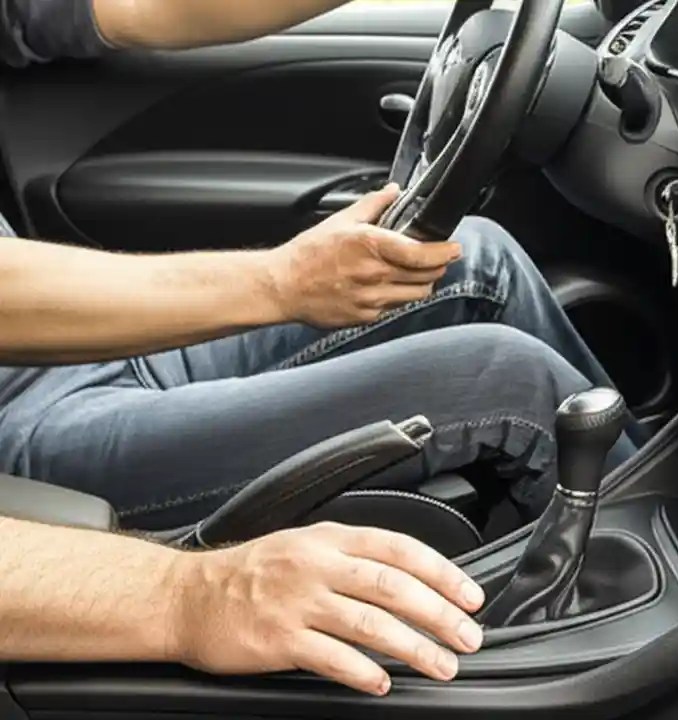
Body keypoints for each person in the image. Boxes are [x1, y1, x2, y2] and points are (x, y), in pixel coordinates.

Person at [0, 0, 637, 697]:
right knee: (513, 385)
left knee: (470, 260)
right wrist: (189, 595)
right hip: (25, 441)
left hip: (60, 349)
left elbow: (142, 4)